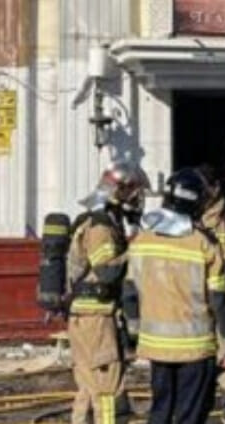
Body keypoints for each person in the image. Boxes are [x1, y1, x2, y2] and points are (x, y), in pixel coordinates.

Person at [123, 167, 225, 424]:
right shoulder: (204, 244)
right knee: (191, 416)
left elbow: (130, 293)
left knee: (160, 412)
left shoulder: (142, 240)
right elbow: (219, 301)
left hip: (157, 348)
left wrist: (134, 334)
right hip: (196, 349)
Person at [67, 159, 150, 424]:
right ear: (120, 191)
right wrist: (133, 249)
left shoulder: (94, 220)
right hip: (97, 318)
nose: (137, 200)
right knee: (107, 390)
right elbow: (106, 272)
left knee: (89, 387)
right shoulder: (101, 226)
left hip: (85, 317)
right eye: (134, 193)